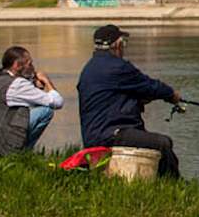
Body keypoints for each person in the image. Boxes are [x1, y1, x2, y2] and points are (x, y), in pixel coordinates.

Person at [76, 24, 184, 178]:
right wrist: (172, 95)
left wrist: (138, 100)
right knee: (163, 143)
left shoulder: (89, 68)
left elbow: (112, 96)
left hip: (93, 135)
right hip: (110, 134)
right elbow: (151, 86)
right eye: (124, 43)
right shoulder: (118, 67)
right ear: (117, 45)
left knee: (149, 139)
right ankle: (173, 184)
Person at [0, 46, 65, 155]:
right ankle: (22, 153)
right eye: (30, 64)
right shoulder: (17, 84)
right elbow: (57, 102)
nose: (33, 68)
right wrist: (47, 81)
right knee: (46, 111)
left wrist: (33, 85)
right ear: (17, 65)